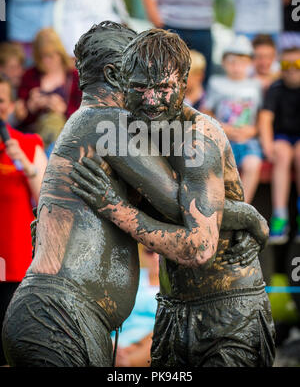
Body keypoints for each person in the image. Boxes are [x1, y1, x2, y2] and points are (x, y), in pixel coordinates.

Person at [3, 22, 270, 367]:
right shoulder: (109, 122)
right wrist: (249, 216)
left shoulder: (104, 123)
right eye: (137, 73)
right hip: (60, 320)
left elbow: (192, 214)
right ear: (117, 73)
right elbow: (178, 204)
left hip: (67, 319)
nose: (147, 92)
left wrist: (248, 216)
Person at [0, 73, 47, 366]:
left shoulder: (28, 144)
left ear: (13, 105)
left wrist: (28, 167)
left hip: (14, 266)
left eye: (1, 100)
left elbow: (46, 201)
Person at [203, 36, 263, 204]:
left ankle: (244, 206)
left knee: (253, 163)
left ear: (251, 63)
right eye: (232, 62)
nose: (237, 67)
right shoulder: (216, 83)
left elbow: (260, 113)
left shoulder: (255, 85)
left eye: (242, 63)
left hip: (247, 138)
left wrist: (253, 130)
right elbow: (206, 111)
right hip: (223, 137)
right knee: (218, 166)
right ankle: (220, 205)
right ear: (224, 62)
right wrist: (222, 127)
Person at [259, 47, 300, 244]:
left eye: (297, 65)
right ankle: (280, 215)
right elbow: (266, 119)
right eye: (286, 64)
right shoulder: (276, 88)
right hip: (282, 137)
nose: (292, 69)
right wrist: (268, 146)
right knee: (283, 154)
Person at [17, 28, 81, 149]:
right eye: (42, 57)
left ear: (60, 53)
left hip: (66, 137)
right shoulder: (30, 76)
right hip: (34, 136)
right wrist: (31, 107)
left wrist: (63, 110)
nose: (46, 61)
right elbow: (20, 119)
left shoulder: (74, 76)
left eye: (50, 56)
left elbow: (83, 116)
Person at [114, 245, 159, 367]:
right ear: (142, 254)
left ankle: (126, 363)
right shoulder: (131, 278)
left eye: (161, 253)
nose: (155, 257)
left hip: (147, 344)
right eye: (150, 252)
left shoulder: (172, 288)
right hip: (116, 341)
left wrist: (135, 345)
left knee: (159, 337)